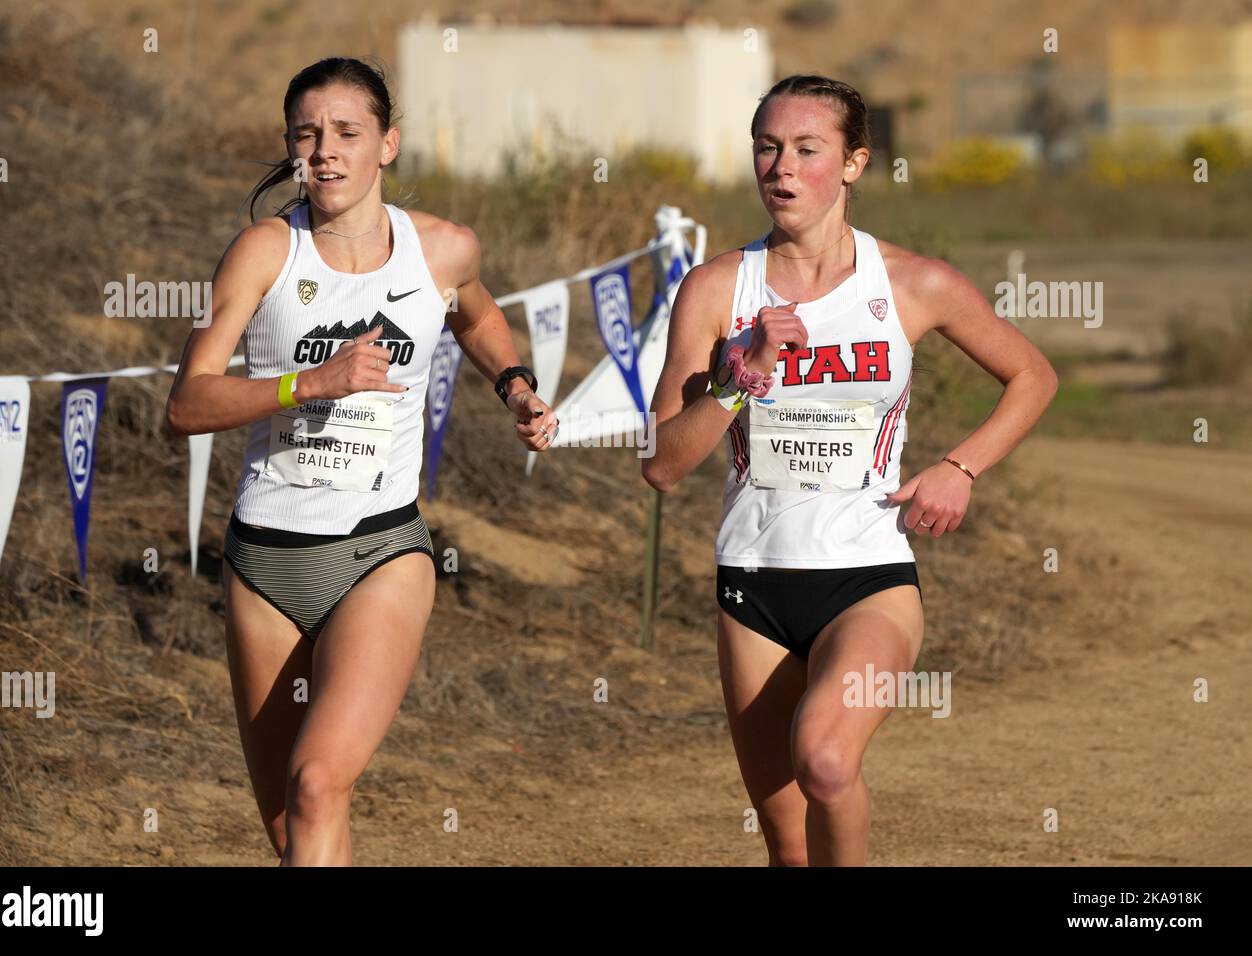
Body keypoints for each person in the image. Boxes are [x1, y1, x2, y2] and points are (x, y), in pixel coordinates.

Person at [642, 74, 1057, 866]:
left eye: (807, 150)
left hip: (867, 577)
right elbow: (663, 466)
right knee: (790, 848)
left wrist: (959, 468)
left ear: (855, 162)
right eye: (767, 148)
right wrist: (740, 379)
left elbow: (1034, 376)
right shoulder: (715, 290)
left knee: (827, 761)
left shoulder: (911, 283)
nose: (782, 168)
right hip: (752, 582)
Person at [164, 57, 557, 866]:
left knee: (317, 786)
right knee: (290, 826)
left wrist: (514, 385)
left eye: (347, 132)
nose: (326, 151)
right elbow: (186, 404)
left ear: (389, 145)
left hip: (380, 550)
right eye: (307, 135)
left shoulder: (442, 250)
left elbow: (476, 316)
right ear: (290, 148)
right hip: (264, 559)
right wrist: (311, 382)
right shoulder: (264, 253)